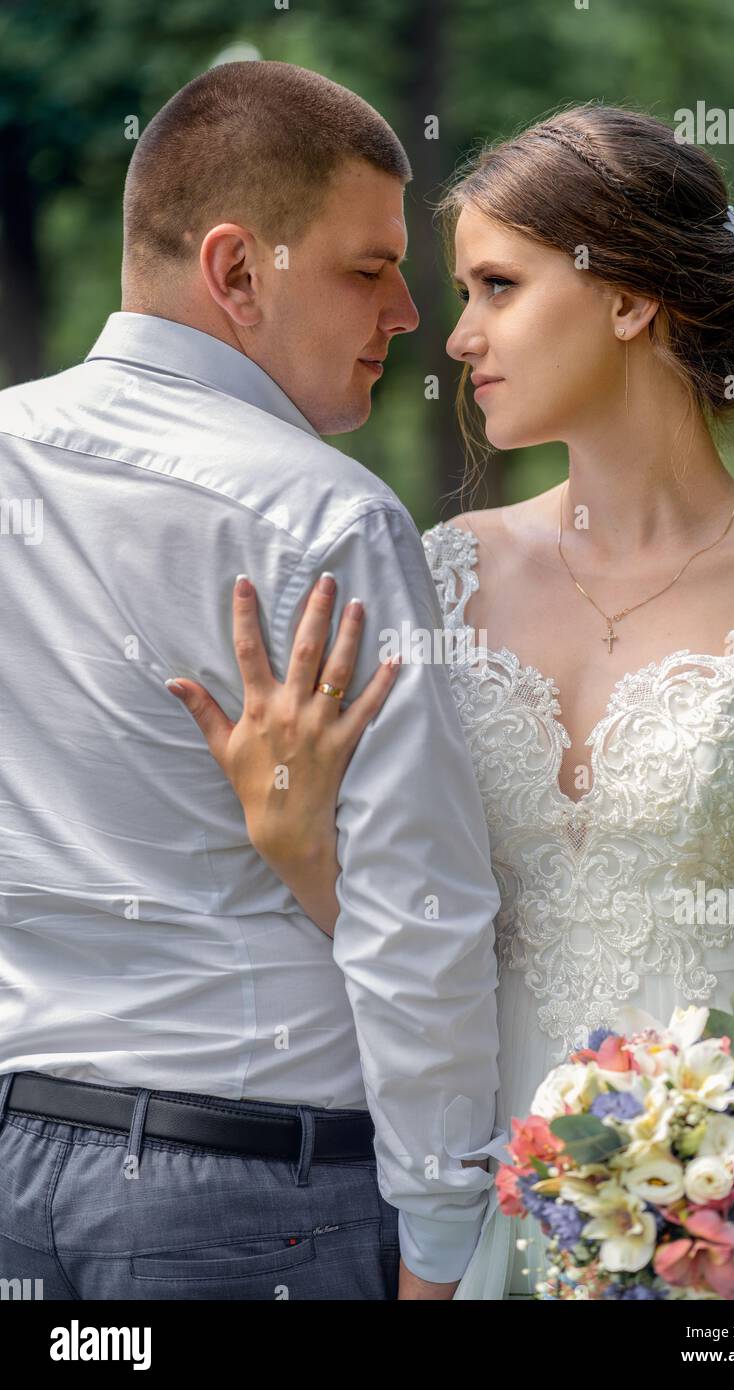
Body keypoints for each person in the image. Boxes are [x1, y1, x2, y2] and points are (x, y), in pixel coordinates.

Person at [174, 103, 734, 1299]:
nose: (454, 337)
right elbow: (417, 937)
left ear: (626, 297)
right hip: (497, 1178)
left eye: (496, 286)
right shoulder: (430, 578)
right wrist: (297, 844)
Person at [0, 60, 508, 1302]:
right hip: (241, 1201)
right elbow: (415, 914)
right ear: (236, 272)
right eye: (365, 267)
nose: (405, 312)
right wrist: (445, 1235)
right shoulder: (324, 521)